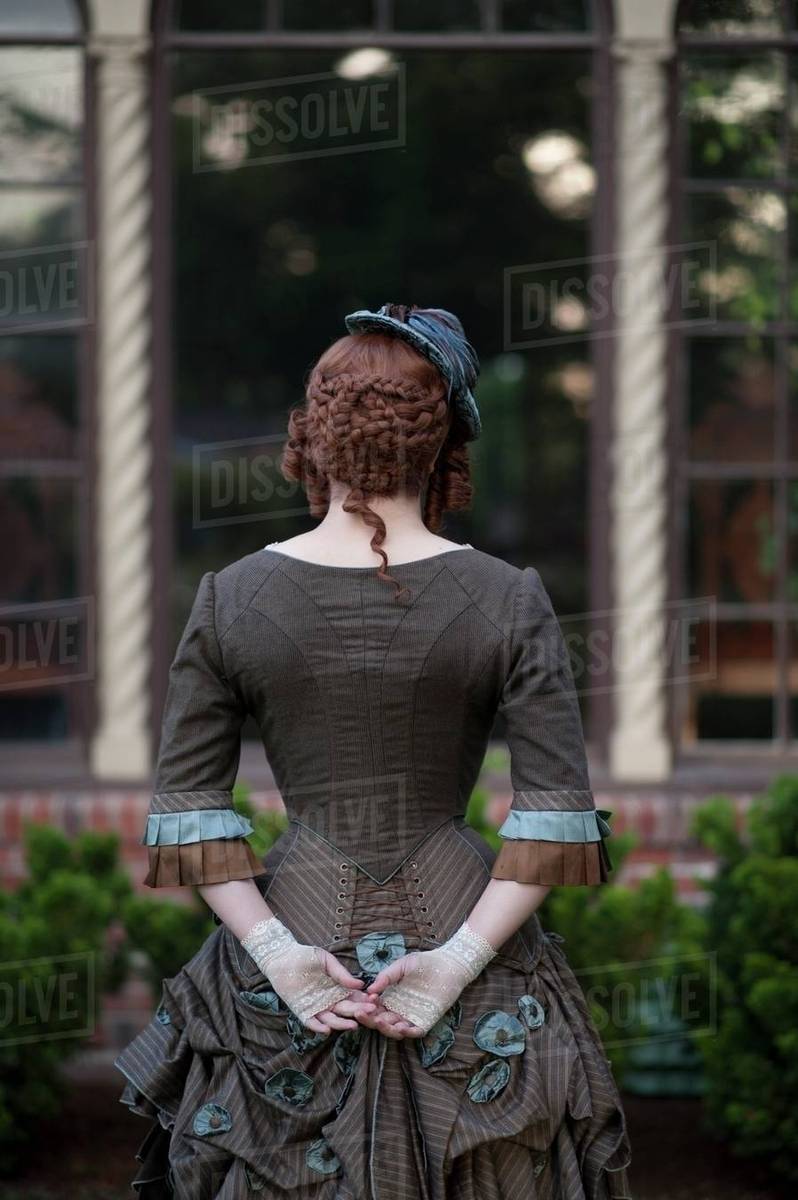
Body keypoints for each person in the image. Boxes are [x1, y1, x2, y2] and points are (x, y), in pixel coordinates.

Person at [114, 303, 633, 1199]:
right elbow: (553, 823)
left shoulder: (230, 598)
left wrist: (278, 956)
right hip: (470, 949)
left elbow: (187, 814)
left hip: (289, 960)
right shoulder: (508, 598)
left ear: (314, 436)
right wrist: (454, 967)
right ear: (442, 443)